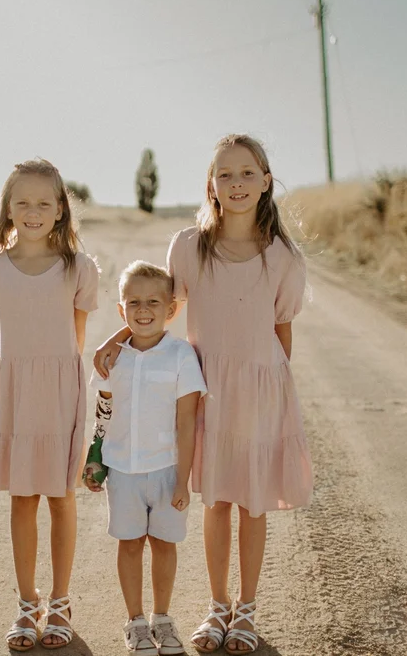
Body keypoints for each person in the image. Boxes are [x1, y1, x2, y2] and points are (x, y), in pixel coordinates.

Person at [94, 135, 314, 654]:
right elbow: (159, 309)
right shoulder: (189, 247)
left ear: (265, 181)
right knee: (216, 500)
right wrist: (117, 336)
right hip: (205, 387)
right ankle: (218, 607)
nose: (236, 184)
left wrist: (273, 387)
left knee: (252, 503)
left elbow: (282, 331)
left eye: (247, 173)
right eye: (225, 175)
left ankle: (248, 611)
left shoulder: (283, 255)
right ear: (211, 186)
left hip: (259, 389)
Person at [0, 158, 99, 651]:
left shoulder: (79, 269)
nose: (33, 210)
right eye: (22, 202)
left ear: (61, 209)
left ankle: (61, 601)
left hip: (60, 388)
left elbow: (76, 337)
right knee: (23, 498)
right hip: (18, 390)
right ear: (7, 210)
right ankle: (27, 602)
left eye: (45, 202)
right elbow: (9, 322)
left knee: (62, 497)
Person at [84, 260, 206, 655]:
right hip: (122, 469)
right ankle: (135, 622)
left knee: (164, 543)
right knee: (131, 543)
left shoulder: (181, 355)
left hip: (167, 469)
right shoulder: (112, 357)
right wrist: (95, 458)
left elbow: (187, 421)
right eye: (133, 302)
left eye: (154, 301)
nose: (143, 309)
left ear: (171, 308)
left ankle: (163, 620)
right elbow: (103, 412)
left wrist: (183, 479)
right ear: (121, 310)